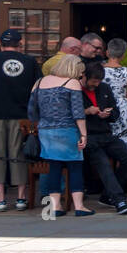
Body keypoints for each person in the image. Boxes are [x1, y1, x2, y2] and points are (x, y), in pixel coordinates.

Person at [0, 28, 41, 211]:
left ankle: (0, 199)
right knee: (18, 155)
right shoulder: (29, 61)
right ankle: (21, 198)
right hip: (22, 116)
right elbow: (38, 88)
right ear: (21, 43)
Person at [27, 55, 93, 217]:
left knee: (54, 167)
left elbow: (31, 110)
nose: (80, 76)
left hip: (46, 131)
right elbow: (78, 112)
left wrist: (40, 124)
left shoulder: (39, 83)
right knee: (75, 166)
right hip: (68, 130)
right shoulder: (72, 83)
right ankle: (79, 206)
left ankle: (55, 207)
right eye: (80, 72)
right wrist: (83, 134)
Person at [81, 63, 127, 214]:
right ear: (85, 76)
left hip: (106, 133)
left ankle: (107, 195)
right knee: (103, 163)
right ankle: (119, 200)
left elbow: (116, 112)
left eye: (99, 81)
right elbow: (72, 114)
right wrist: (88, 111)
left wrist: (109, 114)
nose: (96, 84)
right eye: (93, 81)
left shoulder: (104, 88)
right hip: (88, 135)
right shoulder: (76, 90)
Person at [101, 39, 127, 149]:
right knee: (125, 148)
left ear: (107, 53)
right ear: (123, 55)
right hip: (122, 109)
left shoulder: (100, 70)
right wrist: (124, 96)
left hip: (104, 108)